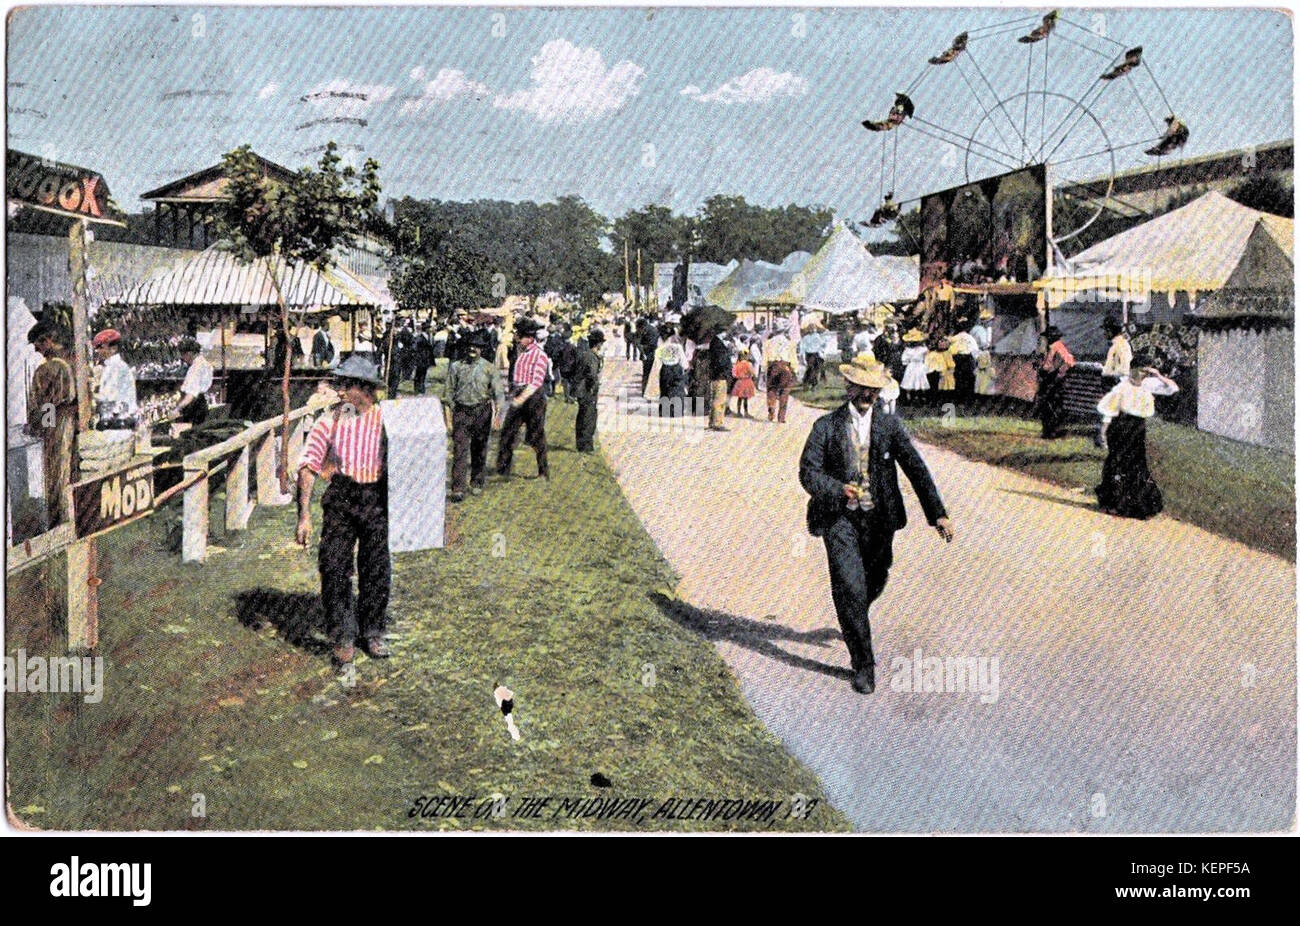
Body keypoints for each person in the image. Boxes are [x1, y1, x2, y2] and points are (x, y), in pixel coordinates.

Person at [799, 355, 954, 695]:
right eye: (862, 387)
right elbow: (808, 473)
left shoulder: (889, 425)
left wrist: (937, 513)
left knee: (875, 579)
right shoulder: (825, 426)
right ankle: (863, 665)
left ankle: (854, 614)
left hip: (880, 519)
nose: (868, 394)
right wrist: (838, 489)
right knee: (849, 586)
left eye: (873, 389)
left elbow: (915, 466)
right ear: (849, 386)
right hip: (839, 518)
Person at [295, 355, 391, 670]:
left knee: (376, 567)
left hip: (376, 497)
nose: (339, 391)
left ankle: (372, 631)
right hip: (342, 497)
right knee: (334, 566)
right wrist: (304, 516)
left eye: (344, 385)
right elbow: (309, 467)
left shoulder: (385, 420)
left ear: (362, 389)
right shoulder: (329, 421)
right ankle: (343, 637)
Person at [1095, 356, 1179, 519]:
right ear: (1132, 369)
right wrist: (1103, 432)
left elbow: (1173, 389)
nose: (1144, 374)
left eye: (1147, 371)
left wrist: (1157, 374)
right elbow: (1109, 410)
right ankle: (1114, 502)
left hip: (1138, 427)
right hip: (1121, 426)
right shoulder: (1123, 386)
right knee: (1117, 461)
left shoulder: (1148, 385)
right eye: (1142, 370)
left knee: (1136, 464)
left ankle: (1136, 504)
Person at [25, 323, 78, 525]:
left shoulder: (49, 368)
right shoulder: (70, 361)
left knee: (57, 473)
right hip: (68, 422)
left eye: (37, 345)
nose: (36, 350)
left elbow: (48, 404)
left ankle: (60, 520)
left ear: (46, 341)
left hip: (57, 424)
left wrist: (44, 428)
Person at [443, 331, 502, 501]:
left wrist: (497, 417)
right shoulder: (456, 367)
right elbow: (447, 395)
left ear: (482, 349)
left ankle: (476, 481)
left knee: (479, 448)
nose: (472, 349)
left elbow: (498, 394)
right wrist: (448, 420)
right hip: (461, 412)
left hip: (482, 411)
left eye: (476, 346)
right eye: (470, 345)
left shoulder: (489, 368)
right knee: (459, 450)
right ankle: (458, 488)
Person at [496, 318, 550, 480]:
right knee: (507, 434)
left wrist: (521, 399)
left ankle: (543, 472)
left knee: (536, 436)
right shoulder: (519, 353)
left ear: (529, 337)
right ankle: (503, 471)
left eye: (519, 335)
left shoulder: (540, 355)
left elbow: (536, 382)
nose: (517, 338)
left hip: (533, 398)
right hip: (517, 393)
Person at [92, 328, 138, 429]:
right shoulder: (111, 366)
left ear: (113, 349)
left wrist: (88, 394)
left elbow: (107, 397)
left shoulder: (116, 367)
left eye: (100, 347)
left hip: (120, 420)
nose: (97, 350)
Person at [1037, 324, 1075, 438]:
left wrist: (1057, 373)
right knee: (1053, 406)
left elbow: (1067, 362)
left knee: (1049, 406)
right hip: (1056, 380)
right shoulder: (1059, 347)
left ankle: (1049, 431)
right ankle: (1050, 430)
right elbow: (1070, 362)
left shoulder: (1055, 347)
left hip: (1052, 380)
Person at [571, 329, 605, 453]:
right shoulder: (592, 357)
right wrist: (594, 386)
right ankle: (585, 446)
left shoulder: (585, 354)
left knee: (583, 416)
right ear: (598, 344)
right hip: (587, 391)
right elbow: (591, 375)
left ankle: (582, 444)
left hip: (581, 390)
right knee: (588, 418)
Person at [173, 338, 213, 426]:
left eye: (183, 355)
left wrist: (177, 409)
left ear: (189, 353)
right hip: (202, 404)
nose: (183, 358)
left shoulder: (195, 368)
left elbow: (190, 396)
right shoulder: (206, 363)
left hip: (194, 406)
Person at [763, 327, 799, 423]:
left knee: (771, 390)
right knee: (784, 391)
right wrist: (795, 370)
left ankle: (771, 409)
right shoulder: (790, 343)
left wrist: (764, 370)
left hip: (773, 366)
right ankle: (781, 417)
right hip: (785, 366)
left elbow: (764, 359)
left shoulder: (768, 342)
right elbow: (793, 358)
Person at [655, 324, 688, 417]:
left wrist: (658, 370)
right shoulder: (677, 346)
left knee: (665, 389)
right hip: (676, 368)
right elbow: (683, 361)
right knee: (677, 390)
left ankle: (665, 411)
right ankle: (676, 411)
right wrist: (685, 367)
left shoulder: (661, 346)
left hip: (665, 368)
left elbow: (657, 359)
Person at [707, 330, 731, 431]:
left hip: (715, 375)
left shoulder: (714, 342)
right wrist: (726, 370)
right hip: (720, 375)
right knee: (719, 400)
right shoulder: (718, 344)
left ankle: (712, 421)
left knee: (715, 399)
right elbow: (721, 361)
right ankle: (717, 422)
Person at [899, 328, 929, 405]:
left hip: (917, 365)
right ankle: (911, 398)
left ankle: (919, 397)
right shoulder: (909, 350)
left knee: (919, 381)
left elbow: (904, 360)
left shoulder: (923, 349)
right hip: (914, 365)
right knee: (910, 381)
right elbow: (904, 360)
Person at [730, 351, 757, 418]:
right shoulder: (748, 364)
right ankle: (746, 412)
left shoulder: (737, 364)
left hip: (739, 382)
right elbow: (753, 373)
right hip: (747, 381)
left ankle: (738, 412)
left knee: (739, 398)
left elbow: (734, 374)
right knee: (745, 398)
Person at [411, 324, 435, 395]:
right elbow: (414, 348)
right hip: (421, 359)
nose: (431, 330)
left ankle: (421, 388)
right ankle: (418, 389)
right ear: (426, 329)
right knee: (419, 374)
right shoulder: (419, 338)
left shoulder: (430, 336)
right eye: (430, 328)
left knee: (423, 374)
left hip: (426, 359)